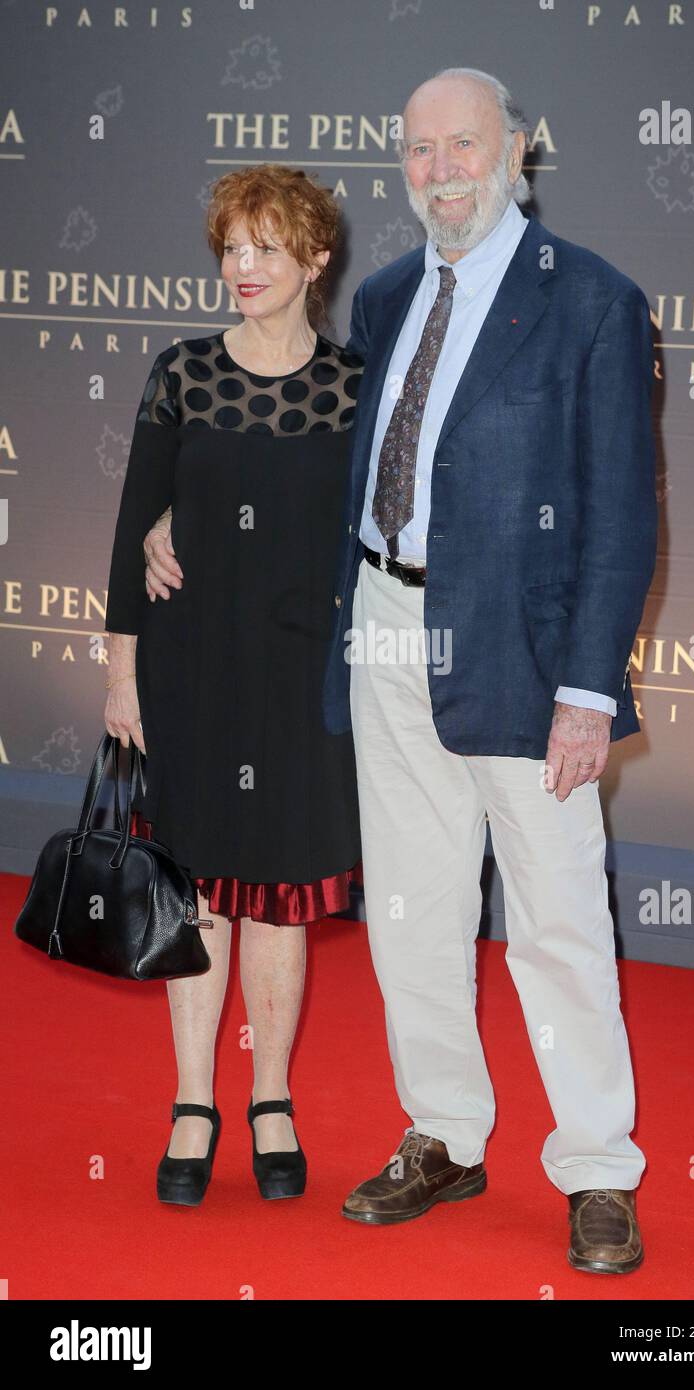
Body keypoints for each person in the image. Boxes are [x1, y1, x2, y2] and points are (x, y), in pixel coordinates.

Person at [321, 67, 657, 1273]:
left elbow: (619, 517)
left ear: (516, 150)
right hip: (385, 627)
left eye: (463, 145)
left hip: (523, 658)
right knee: (411, 909)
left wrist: (586, 691)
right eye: (418, 150)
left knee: (557, 923)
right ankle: (446, 1134)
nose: (441, 170)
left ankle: (598, 1167)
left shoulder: (593, 304)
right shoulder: (387, 293)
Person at [103, 164, 364, 1207]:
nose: (243, 268)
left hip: (302, 679)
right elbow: (135, 527)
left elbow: (374, 537)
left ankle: (271, 1098)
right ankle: (193, 1099)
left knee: (284, 904)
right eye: (230, 248)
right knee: (202, 894)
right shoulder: (183, 374)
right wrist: (122, 673)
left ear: (314, 260)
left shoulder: (353, 387)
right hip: (193, 668)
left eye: (266, 248)